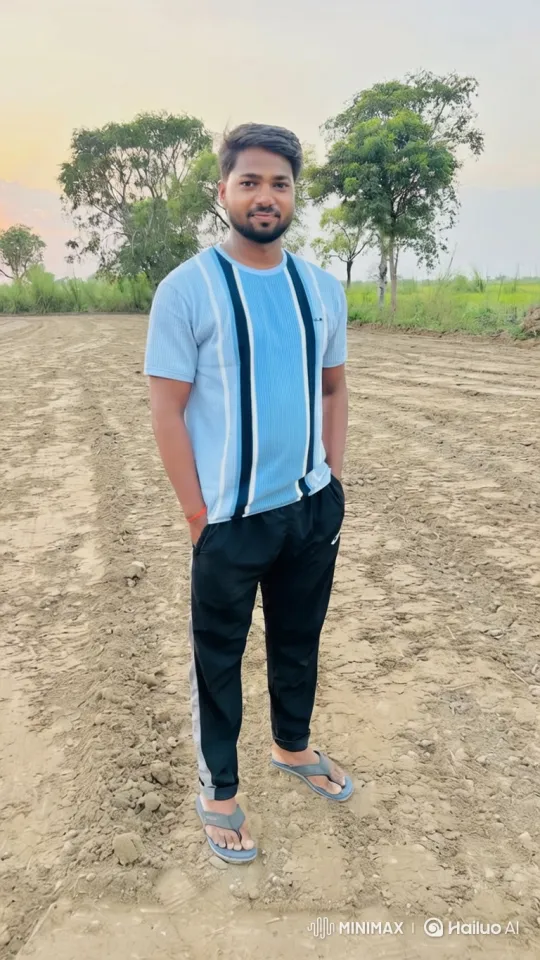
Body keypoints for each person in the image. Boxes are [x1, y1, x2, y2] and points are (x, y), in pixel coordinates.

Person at [144, 122, 354, 864]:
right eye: (251, 181)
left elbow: (333, 388)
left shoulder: (322, 289)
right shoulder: (188, 288)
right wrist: (199, 517)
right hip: (229, 523)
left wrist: (331, 478)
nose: (266, 196)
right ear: (223, 191)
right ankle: (220, 790)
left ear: (296, 194)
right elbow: (167, 408)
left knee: (298, 644)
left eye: (280, 183)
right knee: (219, 661)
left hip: (309, 510)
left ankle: (292, 748)